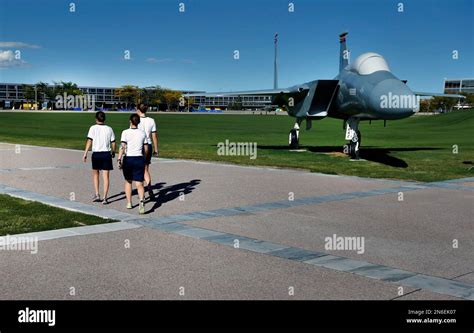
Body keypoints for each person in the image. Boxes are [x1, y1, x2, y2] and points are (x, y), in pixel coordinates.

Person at [83, 111, 116, 204]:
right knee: (106, 176)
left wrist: (85, 153)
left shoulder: (93, 128)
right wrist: (113, 151)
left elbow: (89, 141)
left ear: (96, 119)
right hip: (106, 154)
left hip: (96, 154)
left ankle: (97, 194)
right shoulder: (109, 129)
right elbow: (113, 142)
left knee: (95, 174)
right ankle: (105, 197)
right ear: (104, 119)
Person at [118, 114, 148, 214]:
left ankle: (129, 202)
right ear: (138, 122)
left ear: (130, 121)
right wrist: (145, 157)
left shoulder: (125, 132)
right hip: (139, 158)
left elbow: (122, 147)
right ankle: (141, 201)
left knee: (128, 181)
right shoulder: (143, 133)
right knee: (139, 183)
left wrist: (119, 159)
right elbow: (146, 148)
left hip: (128, 159)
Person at [136, 103, 159, 199]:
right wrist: (156, 148)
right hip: (148, 145)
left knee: (138, 170)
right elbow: (154, 135)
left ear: (138, 110)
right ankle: (149, 189)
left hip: (138, 145)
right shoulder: (151, 120)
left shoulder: (135, 119)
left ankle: (141, 193)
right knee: (146, 169)